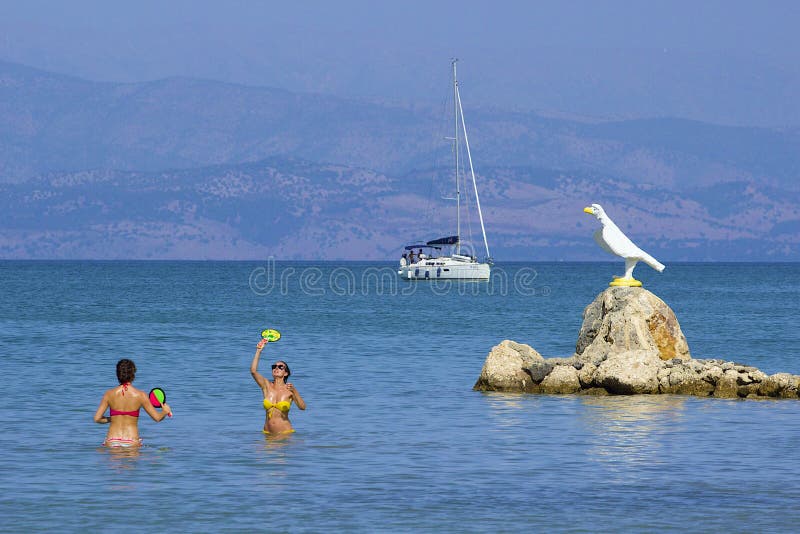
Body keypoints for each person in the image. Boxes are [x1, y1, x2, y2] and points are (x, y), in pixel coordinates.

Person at [93, 358, 172, 447]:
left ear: (117, 375)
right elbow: (157, 418)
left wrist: (113, 419)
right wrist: (165, 411)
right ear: (133, 374)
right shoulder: (141, 395)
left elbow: (97, 419)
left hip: (112, 440)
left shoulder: (109, 394)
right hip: (131, 441)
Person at [250, 338, 306, 435]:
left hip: (284, 434)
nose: (276, 368)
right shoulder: (266, 385)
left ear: (286, 373)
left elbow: (302, 407)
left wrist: (295, 391)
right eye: (274, 367)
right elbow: (253, 371)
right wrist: (258, 351)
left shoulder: (289, 389)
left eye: (280, 367)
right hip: (267, 433)